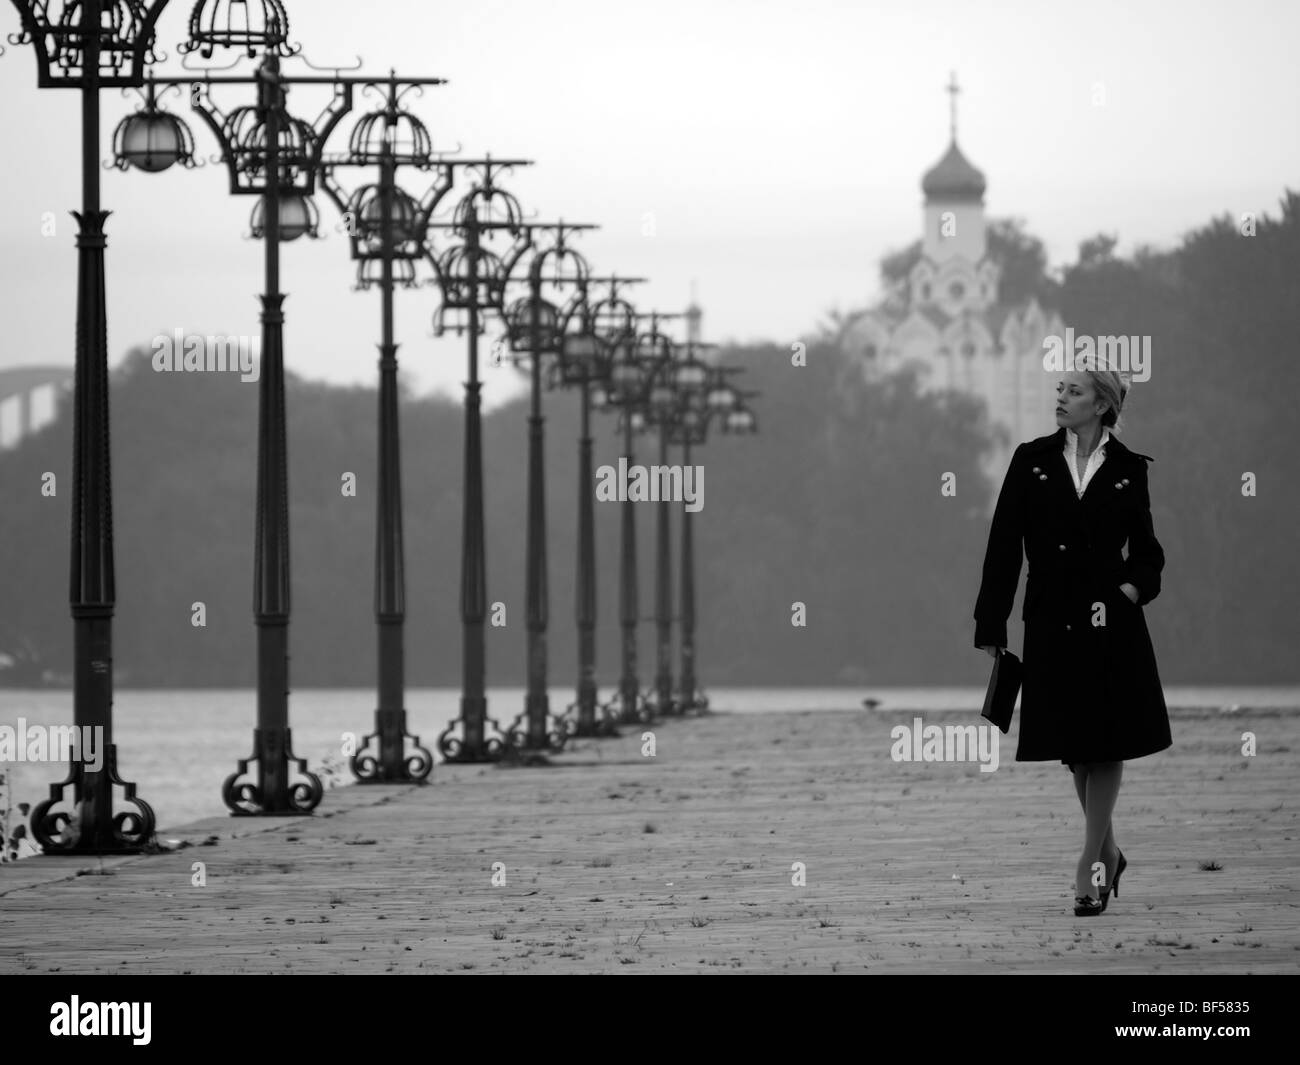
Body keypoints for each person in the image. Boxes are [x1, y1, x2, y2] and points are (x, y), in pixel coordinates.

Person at [973, 366, 1171, 916]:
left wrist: (1132, 590)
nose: (1060, 398)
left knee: (1104, 742)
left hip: (1112, 621)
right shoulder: (1030, 459)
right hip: (1051, 620)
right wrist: (992, 624)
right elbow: (1003, 545)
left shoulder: (1131, 468)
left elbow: (1148, 552)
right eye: (1060, 390)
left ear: (1102, 405)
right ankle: (1109, 850)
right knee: (1075, 749)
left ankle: (1090, 867)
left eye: (1074, 392)